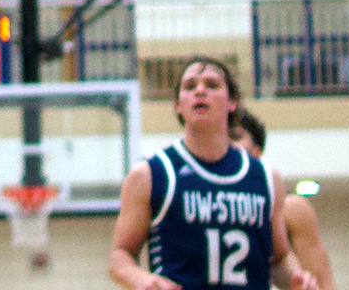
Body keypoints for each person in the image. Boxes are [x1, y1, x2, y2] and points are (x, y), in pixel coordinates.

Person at [109, 57, 317, 290]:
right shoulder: (151, 175)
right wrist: (142, 279)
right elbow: (120, 256)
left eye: (212, 85)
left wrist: (298, 279)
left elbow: (279, 259)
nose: (200, 90)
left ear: (232, 102)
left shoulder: (266, 178)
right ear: (178, 104)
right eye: (190, 86)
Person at [232, 111, 335, 290]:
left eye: (235, 136)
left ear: (257, 152)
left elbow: (323, 284)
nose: (228, 144)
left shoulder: (291, 211)